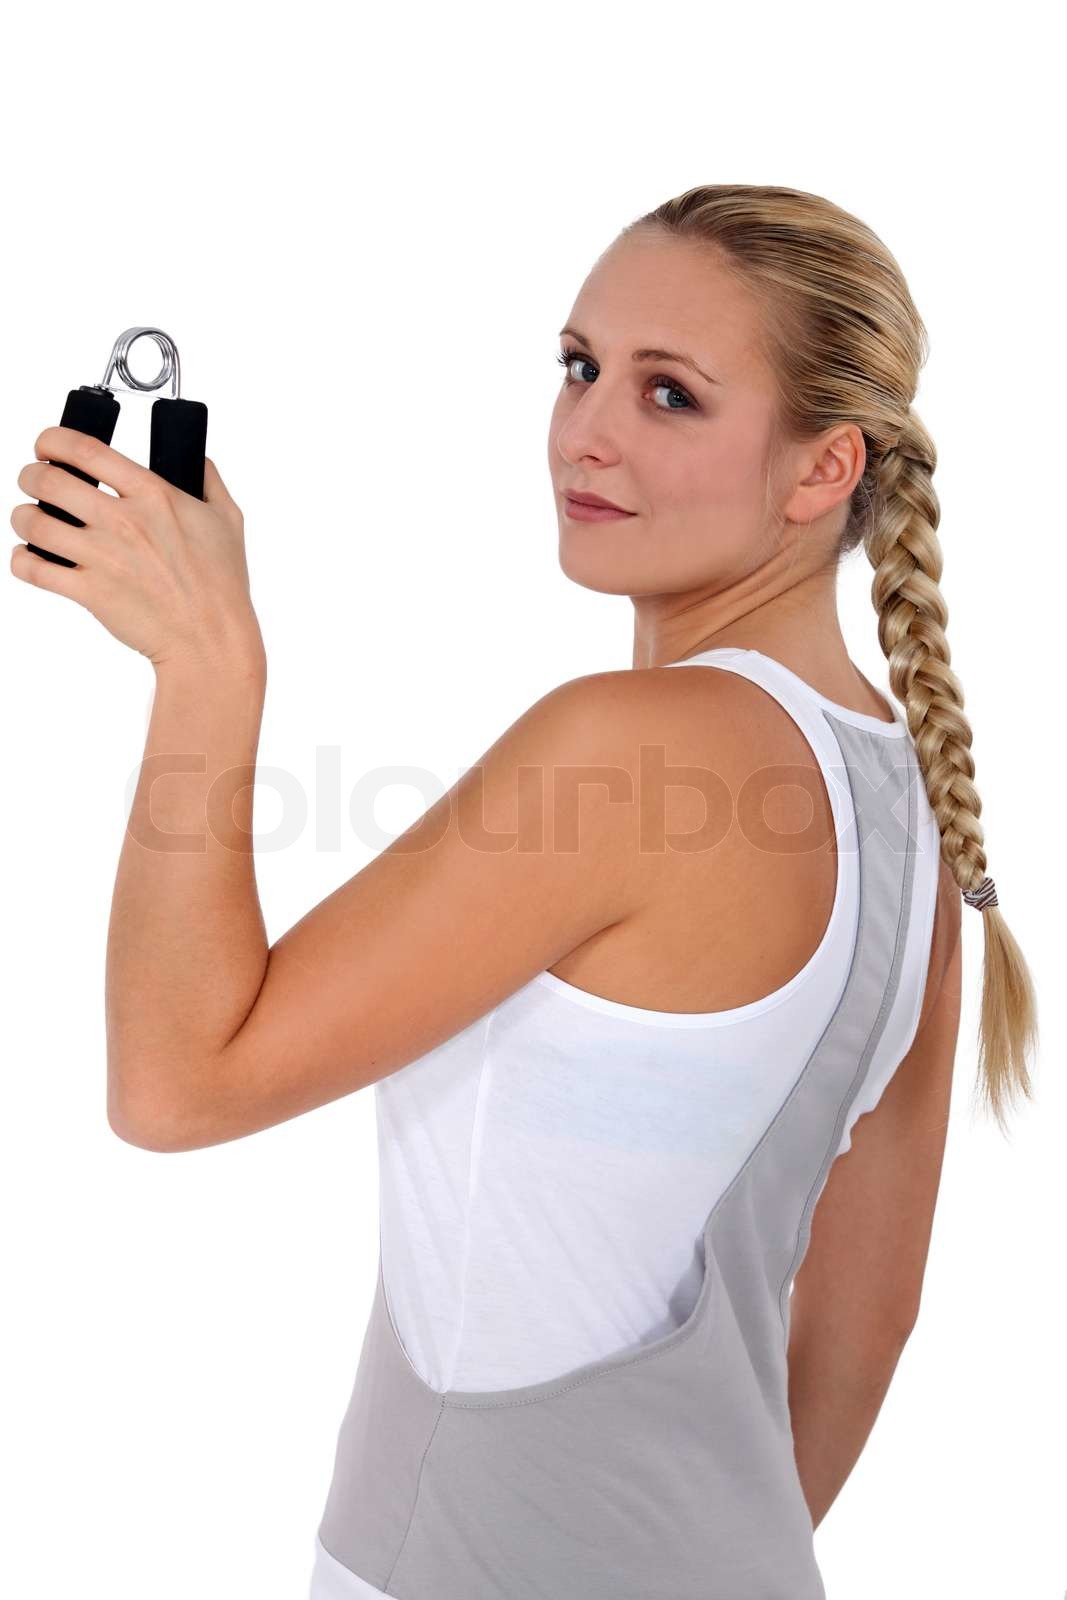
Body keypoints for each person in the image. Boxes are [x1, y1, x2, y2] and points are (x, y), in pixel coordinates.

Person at [19, 183, 1035, 1599]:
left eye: (670, 394)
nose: (590, 431)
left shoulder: (628, 754)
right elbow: (866, 1326)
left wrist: (209, 667)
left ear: (822, 473)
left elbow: (179, 1084)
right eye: (580, 367)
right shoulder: (922, 815)